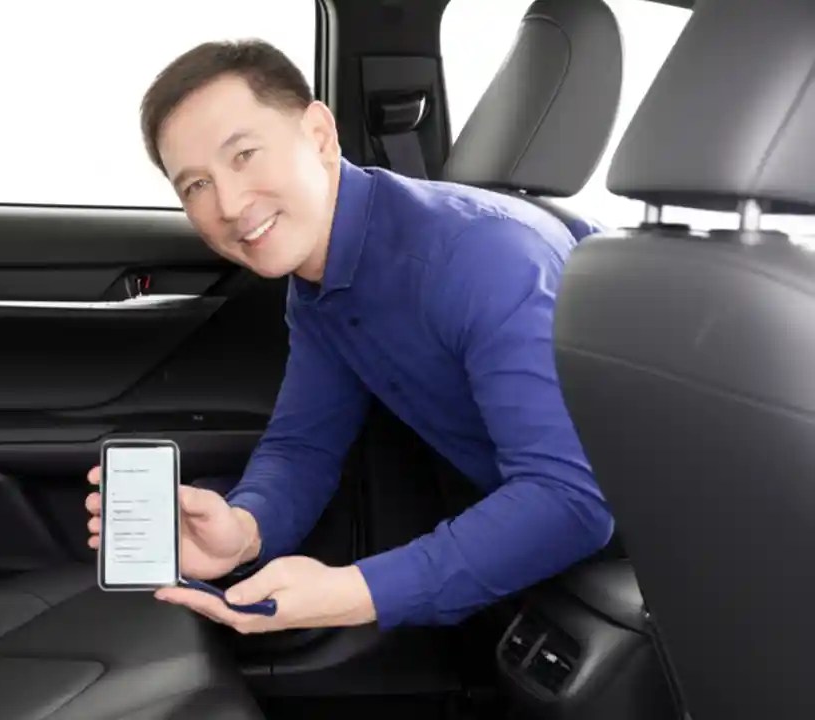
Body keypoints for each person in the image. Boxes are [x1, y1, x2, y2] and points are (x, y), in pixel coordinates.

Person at [84, 39, 613, 635]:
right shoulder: (315, 279)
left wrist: (356, 592)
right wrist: (242, 529)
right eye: (196, 186)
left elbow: (570, 499)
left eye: (245, 155)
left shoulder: (483, 257)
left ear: (318, 134)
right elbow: (303, 446)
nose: (229, 204)